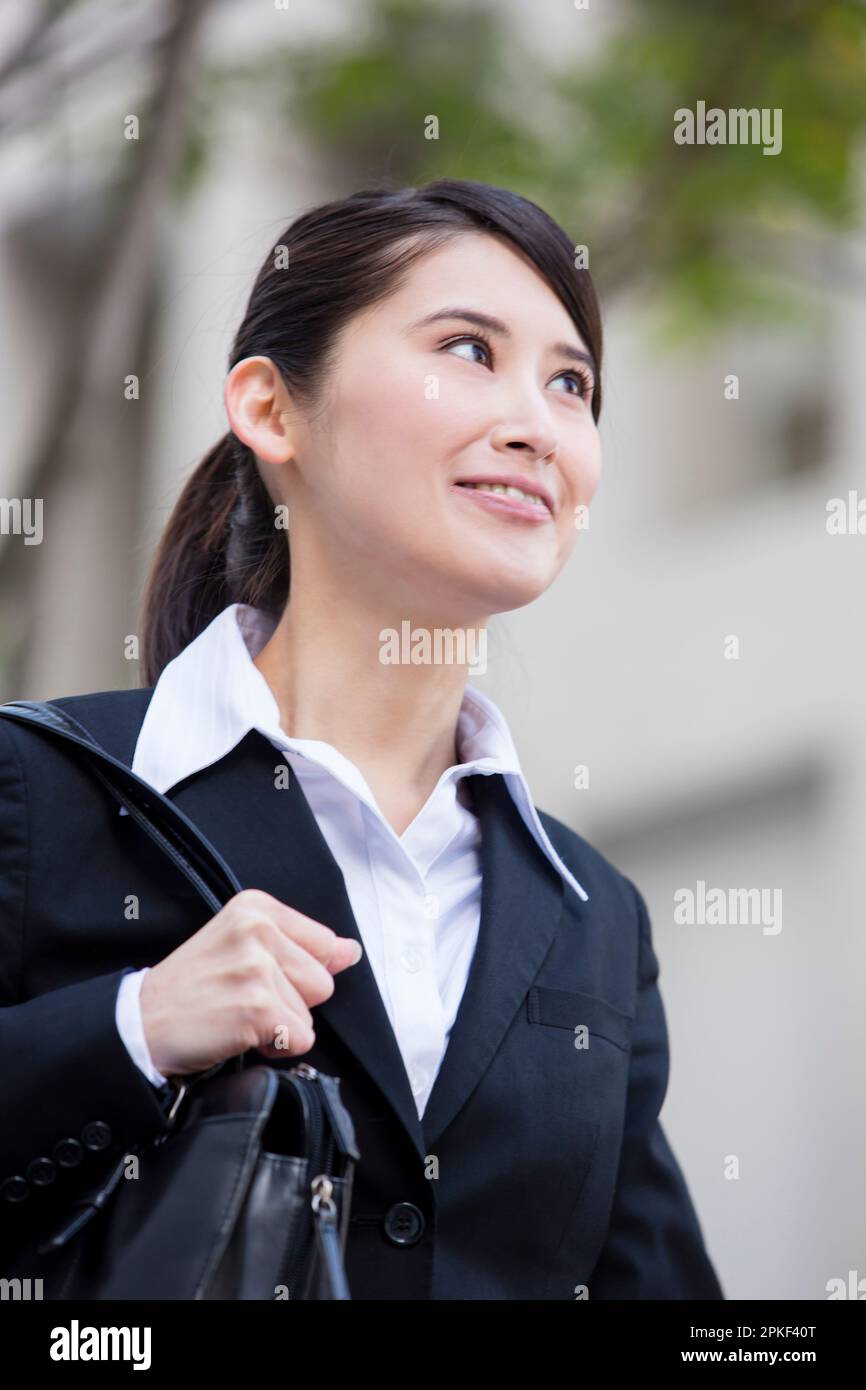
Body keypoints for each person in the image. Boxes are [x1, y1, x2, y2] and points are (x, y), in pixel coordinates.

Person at [0, 178, 723, 1300]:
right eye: (468, 349)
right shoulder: (39, 789)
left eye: (570, 383)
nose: (536, 425)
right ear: (272, 410)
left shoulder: (592, 917)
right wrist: (133, 1028)